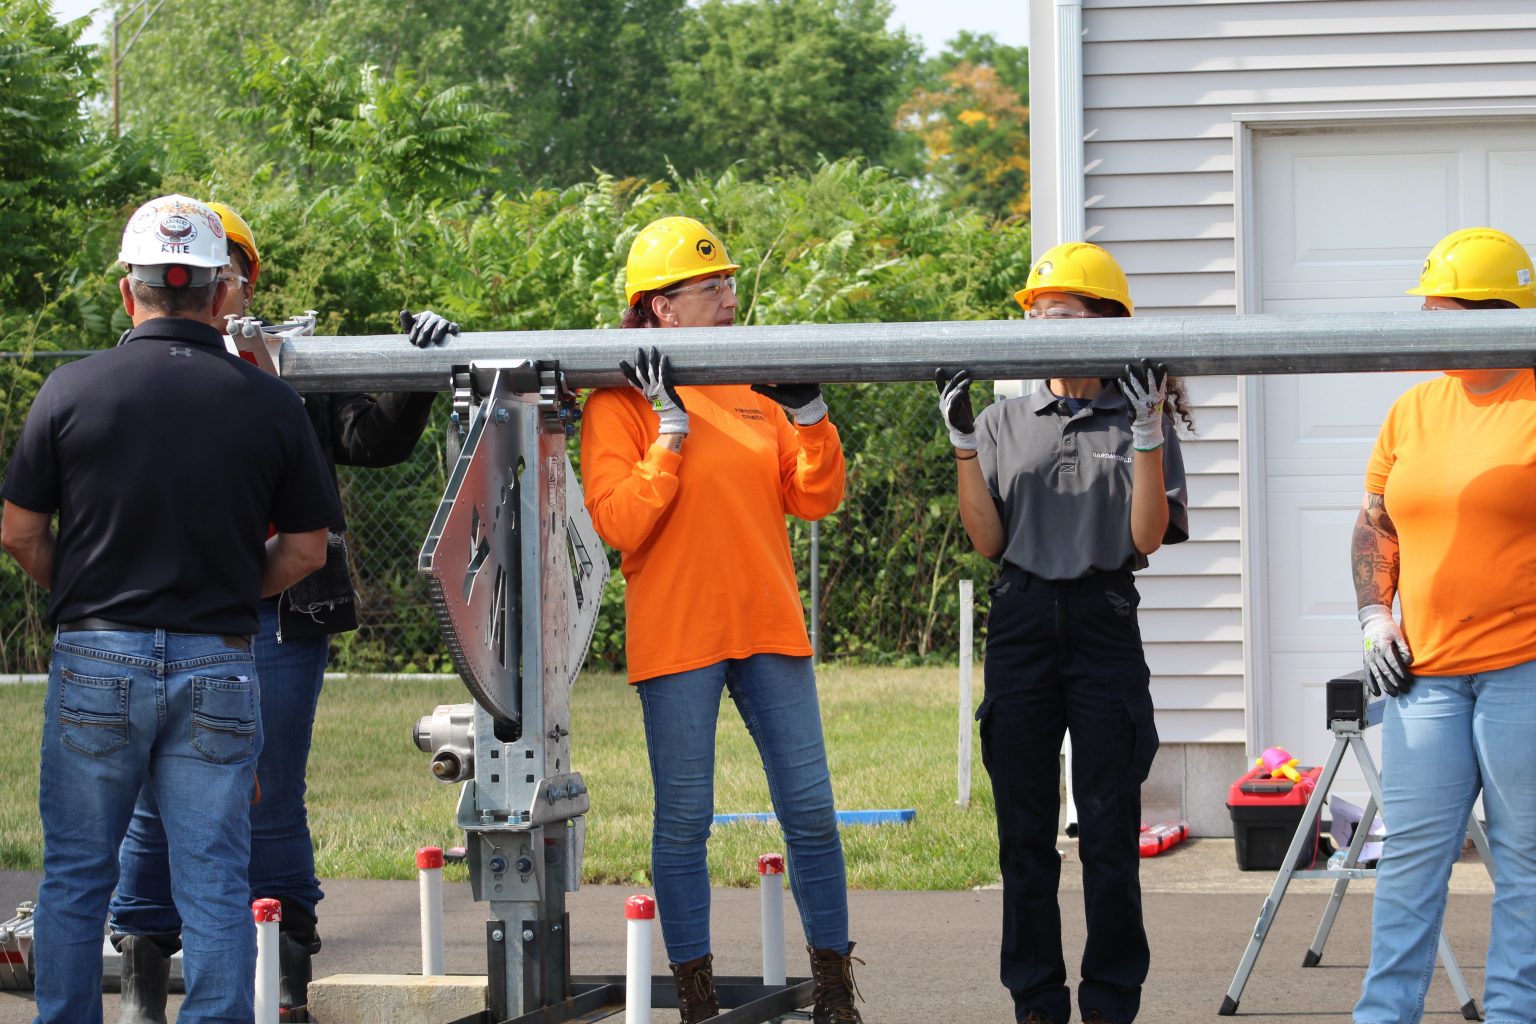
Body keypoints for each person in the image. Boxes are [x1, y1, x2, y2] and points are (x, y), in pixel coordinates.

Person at [105, 201, 460, 1018]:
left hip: (278, 607)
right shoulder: (138, 367)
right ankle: (145, 967)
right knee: (153, 792)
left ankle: (285, 966)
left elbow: (371, 440)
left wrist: (415, 368)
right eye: (191, 269)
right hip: (168, 606)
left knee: (268, 785)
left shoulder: (287, 365)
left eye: (224, 268)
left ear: (243, 282)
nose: (206, 283)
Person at [0, 194, 340, 1024]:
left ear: (130, 291)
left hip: (96, 654)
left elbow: (18, 531)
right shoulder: (270, 403)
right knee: (214, 875)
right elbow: (306, 550)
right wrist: (227, 588)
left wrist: (87, 590)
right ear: (222, 294)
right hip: (219, 657)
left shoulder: (70, 390)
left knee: (78, 873)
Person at [578, 216, 864, 1024]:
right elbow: (619, 522)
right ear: (662, 308)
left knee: (811, 814)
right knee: (684, 822)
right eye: (711, 287)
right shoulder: (616, 402)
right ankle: (697, 1002)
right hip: (680, 636)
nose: (730, 297)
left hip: (768, 625)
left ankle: (834, 992)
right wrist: (669, 433)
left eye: (730, 282)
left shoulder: (751, 382)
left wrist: (813, 420)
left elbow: (816, 497)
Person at [935, 241, 1191, 1024]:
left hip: (1103, 619)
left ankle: (1110, 1001)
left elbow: (1146, 538)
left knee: (1109, 834)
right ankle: (1037, 1002)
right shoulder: (1002, 421)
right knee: (1024, 836)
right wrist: (963, 446)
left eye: (1061, 313)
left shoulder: (1138, 416)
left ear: (1105, 323)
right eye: (1035, 314)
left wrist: (1146, 434)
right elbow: (987, 540)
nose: (1042, 326)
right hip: (1021, 620)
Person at [1351, 226, 1536, 1023]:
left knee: (1526, 860)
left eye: (1441, 310)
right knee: (1411, 859)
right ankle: (1384, 1015)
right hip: (1425, 674)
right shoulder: (1414, 408)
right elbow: (1376, 521)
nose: (1426, 325)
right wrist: (1374, 616)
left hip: (1524, 668)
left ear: (1496, 313)